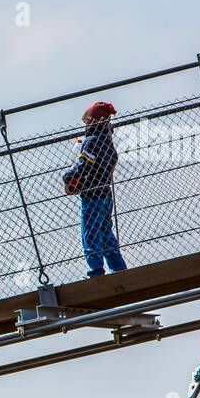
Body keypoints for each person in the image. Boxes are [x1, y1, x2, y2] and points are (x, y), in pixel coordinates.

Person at [63, 101, 128, 278]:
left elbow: (84, 166)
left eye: (87, 122)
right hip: (106, 196)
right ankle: (119, 268)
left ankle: (96, 272)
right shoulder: (109, 144)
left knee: (90, 234)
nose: (85, 126)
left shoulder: (91, 142)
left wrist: (68, 177)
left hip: (92, 197)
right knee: (106, 233)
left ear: (94, 122)